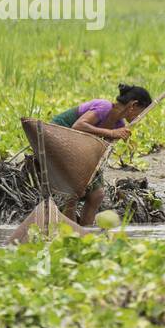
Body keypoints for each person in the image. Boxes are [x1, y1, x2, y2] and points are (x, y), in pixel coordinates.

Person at [47, 83, 152, 225]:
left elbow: (100, 148)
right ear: (133, 105)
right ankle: (71, 232)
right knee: (72, 194)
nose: (138, 118)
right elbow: (78, 126)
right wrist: (111, 133)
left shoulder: (119, 125)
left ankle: (86, 232)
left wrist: (113, 138)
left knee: (97, 195)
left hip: (82, 151)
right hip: (61, 137)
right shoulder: (104, 107)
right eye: (140, 113)